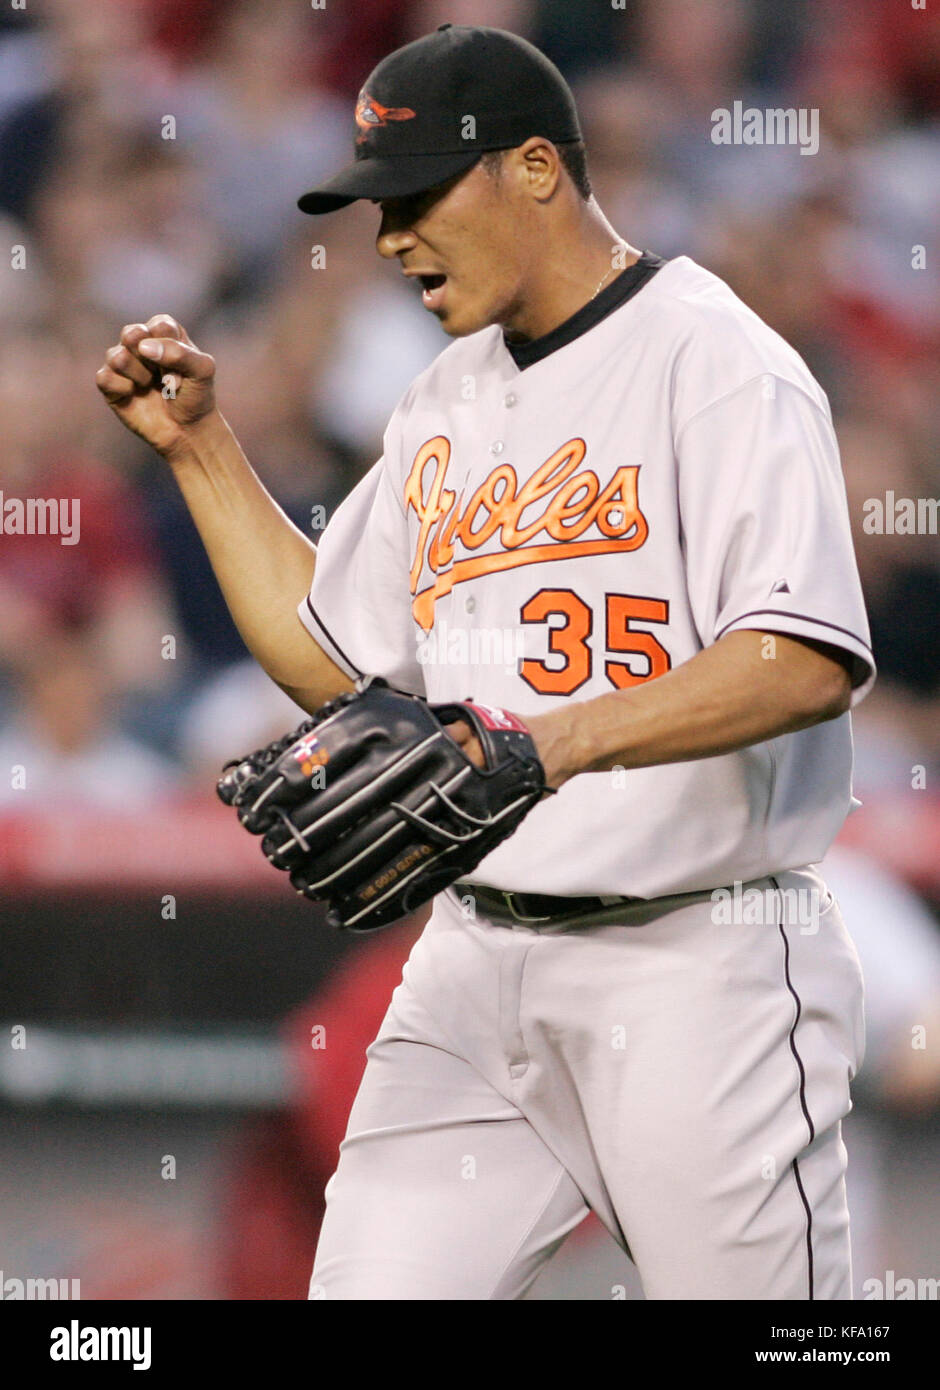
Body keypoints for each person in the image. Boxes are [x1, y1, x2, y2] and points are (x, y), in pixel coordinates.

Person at [96, 25, 876, 1300]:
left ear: (534, 168)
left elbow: (801, 660)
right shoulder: (442, 399)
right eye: (377, 208)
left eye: (416, 198)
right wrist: (201, 452)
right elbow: (333, 658)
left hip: (696, 963)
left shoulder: (714, 361)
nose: (391, 236)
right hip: (472, 962)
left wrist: (545, 744)